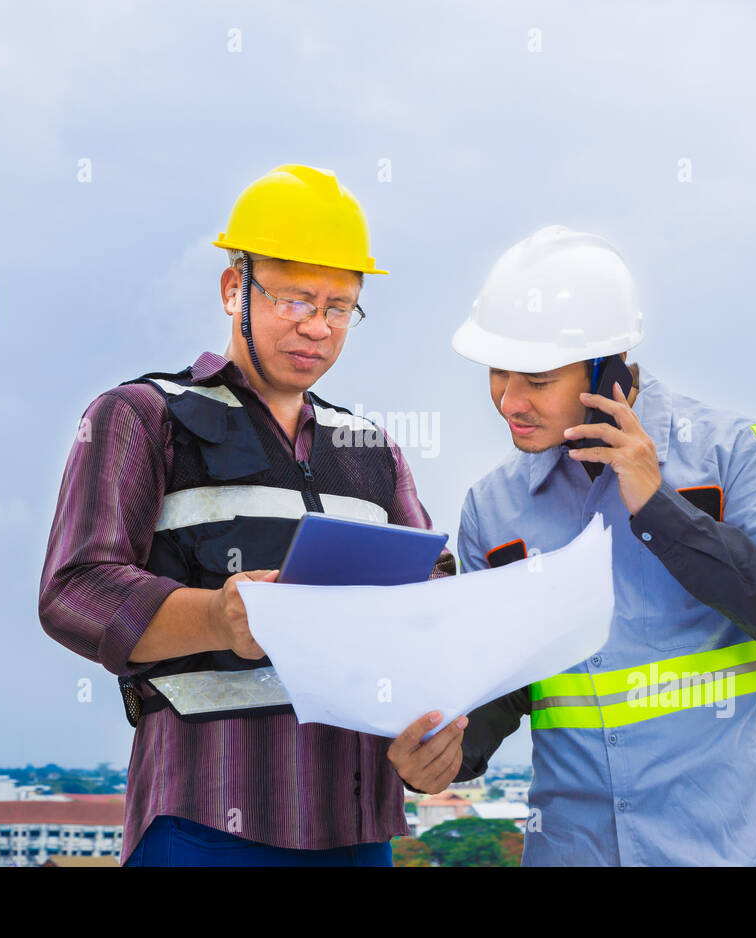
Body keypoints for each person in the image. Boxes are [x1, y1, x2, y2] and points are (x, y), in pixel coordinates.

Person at [38, 164, 464, 866]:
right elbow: (73, 590)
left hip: (358, 832)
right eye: (295, 300)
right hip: (205, 824)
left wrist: (442, 734)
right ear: (235, 288)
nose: (318, 328)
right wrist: (217, 617)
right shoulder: (144, 418)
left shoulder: (372, 449)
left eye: (338, 307)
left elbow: (429, 614)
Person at [445, 226, 756, 865]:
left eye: (537, 378)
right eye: (498, 371)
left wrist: (660, 508)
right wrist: (444, 756)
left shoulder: (735, 450)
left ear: (609, 372)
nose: (508, 401)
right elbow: (505, 685)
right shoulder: (489, 508)